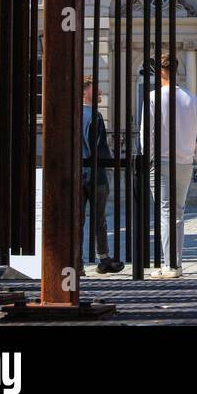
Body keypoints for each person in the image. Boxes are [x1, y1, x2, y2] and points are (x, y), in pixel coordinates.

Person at [140, 52, 197, 279]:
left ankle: (169, 265)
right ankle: (175, 263)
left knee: (165, 212)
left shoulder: (153, 97)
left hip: (160, 160)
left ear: (160, 71)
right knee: (177, 213)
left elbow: (147, 134)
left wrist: (147, 158)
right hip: (184, 162)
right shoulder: (192, 99)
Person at [82, 78, 123, 274]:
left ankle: (76, 263)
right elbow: (100, 148)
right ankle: (104, 258)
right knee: (99, 218)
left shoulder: (72, 114)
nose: (100, 92)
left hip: (77, 173)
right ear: (84, 93)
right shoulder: (95, 116)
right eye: (95, 90)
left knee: (77, 219)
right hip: (95, 173)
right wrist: (112, 162)